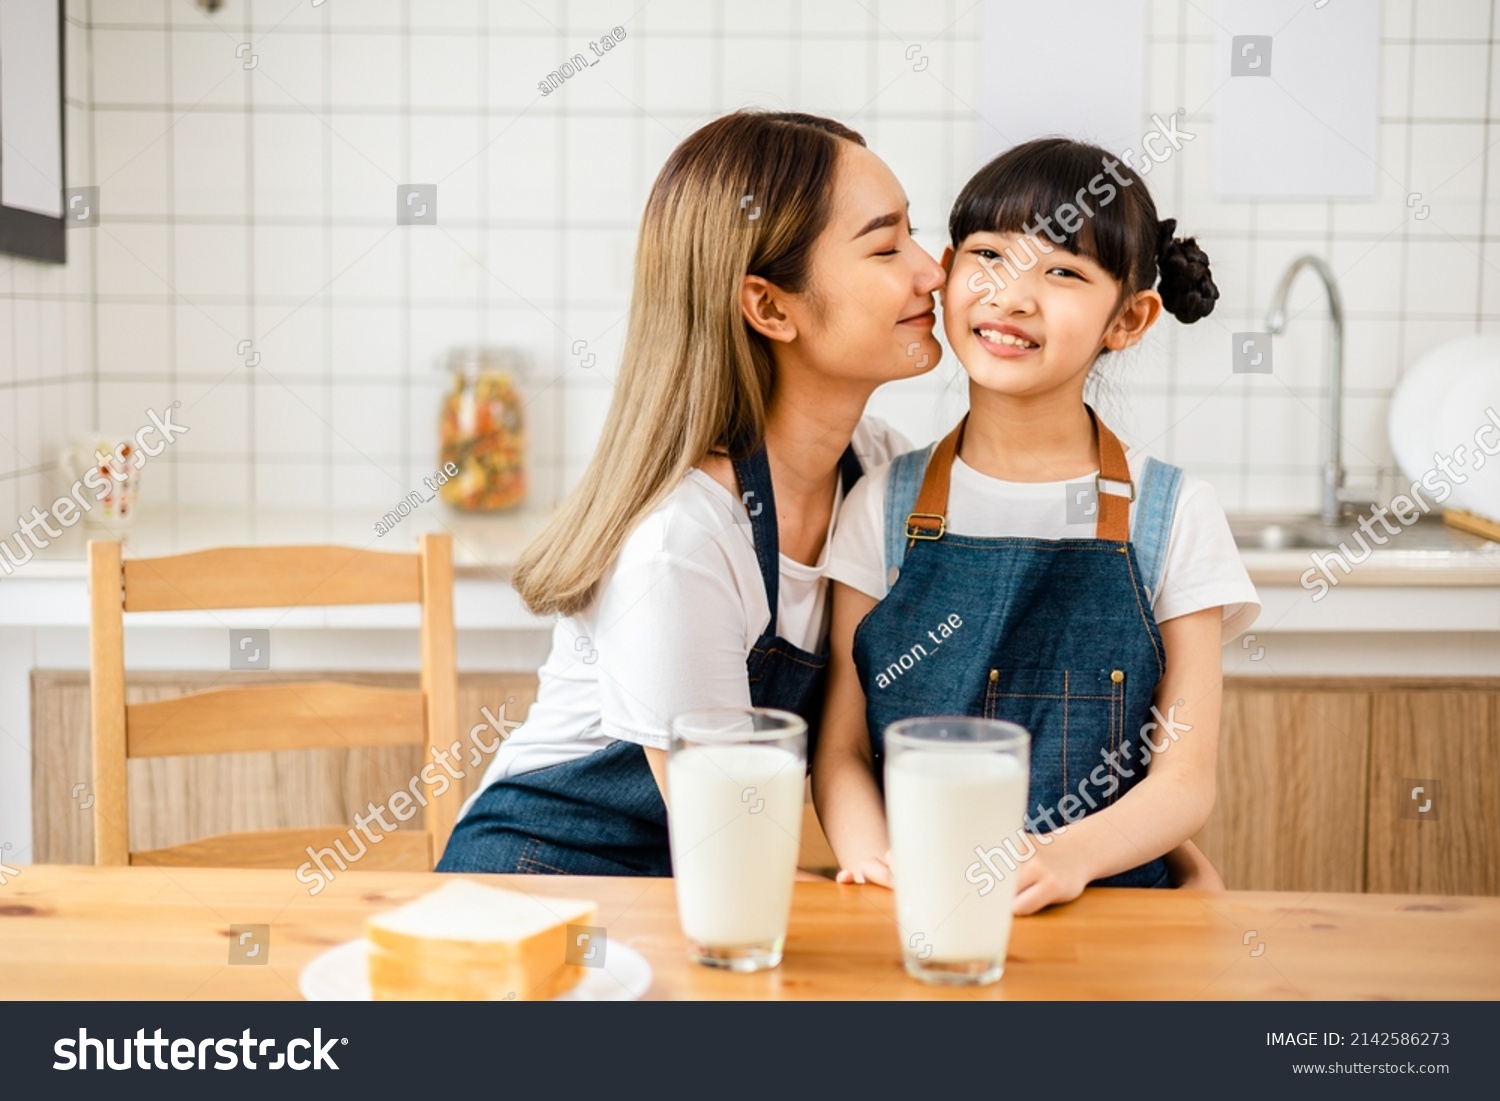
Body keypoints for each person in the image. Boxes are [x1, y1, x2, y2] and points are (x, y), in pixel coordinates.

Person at [437, 110, 945, 875]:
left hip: (700, 883)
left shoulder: (878, 474)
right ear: (771, 307)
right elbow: (737, 849)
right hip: (545, 883)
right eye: (886, 245)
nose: (932, 269)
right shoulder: (683, 544)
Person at [813, 137, 1260, 912]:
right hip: (921, 906)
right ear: (946, 271)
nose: (1012, 296)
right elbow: (843, 751)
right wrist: (878, 861)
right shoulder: (881, 503)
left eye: (1061, 272)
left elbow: (1185, 781)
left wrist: (1065, 857)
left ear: (1129, 318)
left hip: (1112, 915)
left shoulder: (1175, 514)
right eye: (988, 255)